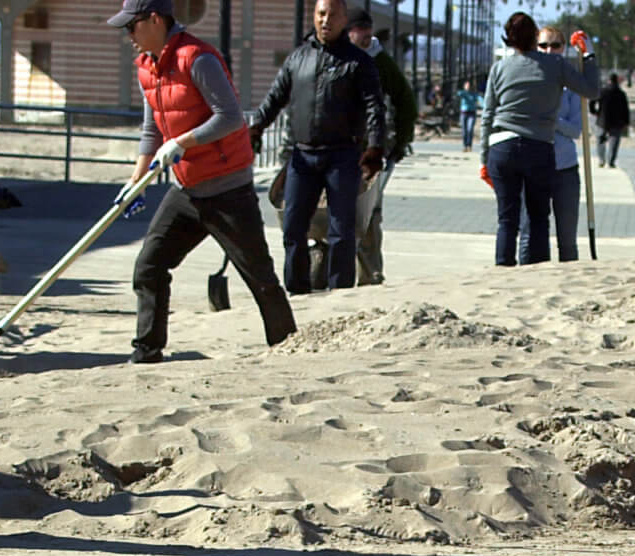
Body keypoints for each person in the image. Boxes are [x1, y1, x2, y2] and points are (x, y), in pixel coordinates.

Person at [112, 0, 294, 367]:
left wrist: (182, 142)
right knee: (149, 267)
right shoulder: (146, 66)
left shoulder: (198, 58)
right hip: (186, 190)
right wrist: (137, 180)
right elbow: (151, 130)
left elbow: (230, 117)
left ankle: (289, 348)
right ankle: (146, 351)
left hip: (228, 190)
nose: (127, 34)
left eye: (132, 25)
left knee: (260, 278)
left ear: (154, 19)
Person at [251, 0, 384, 295]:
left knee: (341, 230)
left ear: (344, 19)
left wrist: (375, 148)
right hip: (303, 156)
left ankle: (340, 293)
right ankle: (297, 291)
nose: (326, 20)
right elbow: (275, 97)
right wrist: (256, 127)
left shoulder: (358, 62)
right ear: (314, 16)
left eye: (333, 15)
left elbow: (375, 108)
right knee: (293, 227)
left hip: (342, 156)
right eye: (321, 14)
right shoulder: (298, 58)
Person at [479, 12, 600, 266]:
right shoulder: (554, 65)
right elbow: (591, 90)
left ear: (509, 39)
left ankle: (502, 271)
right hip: (537, 147)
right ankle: (536, 274)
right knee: (537, 218)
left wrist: (484, 160)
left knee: (507, 220)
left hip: (502, 147)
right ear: (535, 36)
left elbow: (488, 115)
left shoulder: (499, 68)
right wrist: (589, 56)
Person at [347, 12, 415, 287]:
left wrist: (400, 141)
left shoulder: (380, 61)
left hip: (370, 150)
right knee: (327, 212)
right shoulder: (334, 56)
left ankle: (370, 273)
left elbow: (405, 100)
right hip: (334, 146)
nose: (365, 35)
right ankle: (328, 269)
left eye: (368, 30)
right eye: (359, 30)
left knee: (368, 211)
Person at [517, 26, 583, 263]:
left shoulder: (571, 86)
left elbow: (576, 130)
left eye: (555, 45)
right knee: (530, 234)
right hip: (534, 168)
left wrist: (552, 119)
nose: (549, 50)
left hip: (565, 169)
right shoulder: (529, 80)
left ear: (563, 49)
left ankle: (568, 281)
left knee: (567, 241)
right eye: (543, 45)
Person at [598, 72, 630, 167]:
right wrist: (626, 121)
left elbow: (592, 102)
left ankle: (601, 160)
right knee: (614, 141)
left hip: (603, 120)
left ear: (609, 80)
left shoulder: (602, 91)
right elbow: (625, 109)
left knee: (601, 140)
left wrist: (595, 112)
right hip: (617, 121)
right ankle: (611, 161)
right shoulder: (621, 94)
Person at [457, 79, 481, 151]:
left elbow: (480, 99)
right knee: (464, 131)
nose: (468, 87)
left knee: (470, 129)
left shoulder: (474, 94)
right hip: (464, 113)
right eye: (466, 86)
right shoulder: (463, 93)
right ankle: (465, 146)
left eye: (469, 86)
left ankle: (469, 145)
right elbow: (459, 94)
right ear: (464, 86)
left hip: (471, 113)